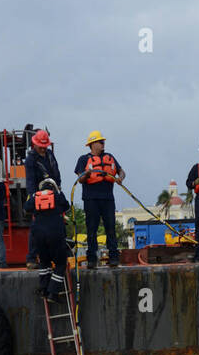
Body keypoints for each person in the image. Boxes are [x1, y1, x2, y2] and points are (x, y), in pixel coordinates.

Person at [73, 130, 125, 269]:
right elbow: (80, 179)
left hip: (108, 199)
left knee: (111, 228)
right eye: (100, 142)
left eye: (103, 142)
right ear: (92, 144)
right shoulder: (83, 159)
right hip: (91, 199)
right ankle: (92, 259)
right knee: (92, 230)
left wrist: (120, 178)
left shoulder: (110, 157)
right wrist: (87, 173)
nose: (103, 144)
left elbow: (121, 171)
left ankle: (114, 257)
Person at [24, 179, 71, 305]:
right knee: (60, 263)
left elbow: (27, 208)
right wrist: (60, 193)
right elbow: (67, 206)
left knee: (44, 262)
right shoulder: (57, 196)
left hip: (38, 235)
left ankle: (44, 289)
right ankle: (53, 292)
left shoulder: (35, 197)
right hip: (55, 234)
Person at [24, 129, 60, 269]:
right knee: (36, 228)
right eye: (41, 146)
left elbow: (56, 171)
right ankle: (32, 258)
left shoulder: (50, 155)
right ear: (35, 145)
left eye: (45, 146)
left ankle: (53, 256)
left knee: (55, 225)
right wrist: (33, 197)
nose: (43, 149)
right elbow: (30, 181)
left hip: (52, 191)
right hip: (39, 195)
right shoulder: (31, 160)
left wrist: (58, 188)